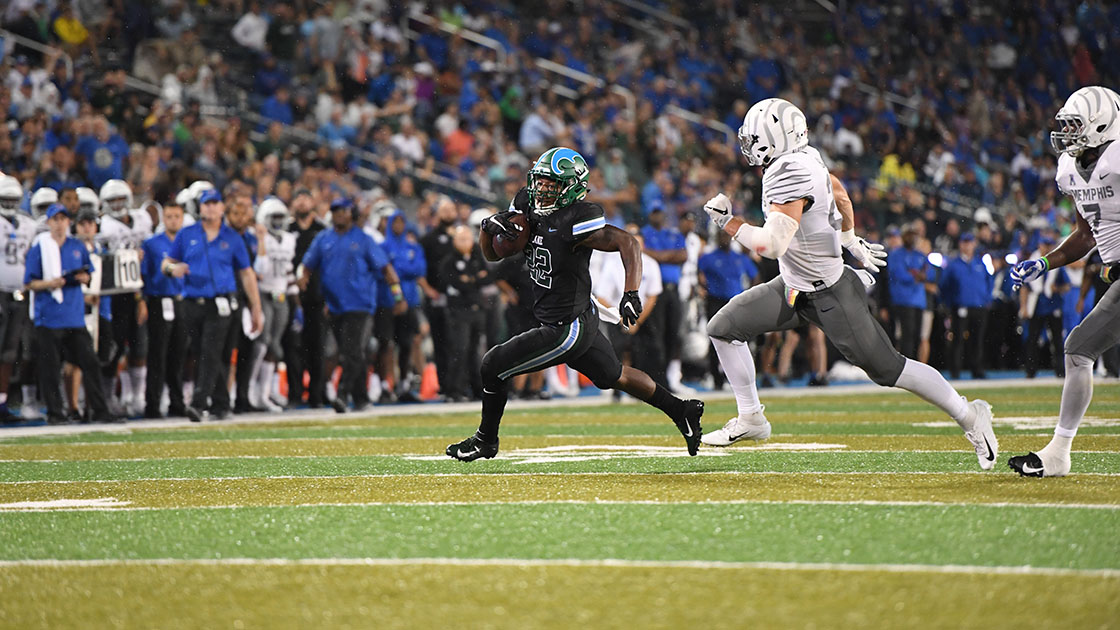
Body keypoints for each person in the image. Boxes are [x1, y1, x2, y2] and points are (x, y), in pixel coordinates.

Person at [700, 98, 998, 471]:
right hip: (794, 287)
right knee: (723, 328)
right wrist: (849, 237)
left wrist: (727, 223)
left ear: (776, 137)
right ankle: (751, 419)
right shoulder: (805, 157)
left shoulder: (788, 171)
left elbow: (772, 245)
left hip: (828, 293)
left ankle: (971, 417)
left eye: (755, 137)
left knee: (889, 369)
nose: (748, 145)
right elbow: (839, 192)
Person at [446, 147, 704, 462]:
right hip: (576, 314)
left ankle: (485, 441)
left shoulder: (576, 218)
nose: (542, 190)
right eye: (540, 182)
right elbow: (492, 254)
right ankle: (683, 410)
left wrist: (631, 292)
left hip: (566, 326)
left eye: (552, 185)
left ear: (572, 188)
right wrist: (488, 228)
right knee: (614, 375)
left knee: (493, 365)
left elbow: (628, 242)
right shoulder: (527, 204)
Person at [1008, 86, 1120, 477]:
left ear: (1102, 124)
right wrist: (1044, 263)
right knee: (1078, 350)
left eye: (1076, 125)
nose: (1067, 133)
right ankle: (1058, 452)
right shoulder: (1071, 169)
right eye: (1066, 125)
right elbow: (1086, 235)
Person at [162, 188, 263, 422]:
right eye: (206, 203)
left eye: (214, 203)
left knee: (210, 350)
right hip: (192, 302)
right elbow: (166, 262)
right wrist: (172, 269)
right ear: (200, 208)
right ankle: (221, 403)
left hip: (221, 302)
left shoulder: (232, 238)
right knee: (202, 352)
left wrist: (255, 306)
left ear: (221, 208)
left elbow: (247, 274)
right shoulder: (187, 234)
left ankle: (198, 403)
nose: (210, 207)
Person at [299, 197, 404, 413]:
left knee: (352, 350)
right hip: (335, 305)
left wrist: (398, 295)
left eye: (344, 210)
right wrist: (302, 277)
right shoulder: (323, 238)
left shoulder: (364, 239)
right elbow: (307, 264)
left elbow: (386, 269)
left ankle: (342, 394)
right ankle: (361, 398)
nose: (339, 214)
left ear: (351, 214)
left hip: (361, 303)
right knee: (351, 352)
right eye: (335, 210)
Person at [24, 203, 115, 424]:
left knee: (90, 363)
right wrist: (50, 283)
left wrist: (84, 278)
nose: (59, 224)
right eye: (55, 219)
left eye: (63, 219)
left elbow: (88, 274)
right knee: (51, 369)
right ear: (48, 222)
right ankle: (56, 413)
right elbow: (29, 283)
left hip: (74, 317)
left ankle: (100, 411)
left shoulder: (77, 246)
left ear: (68, 222)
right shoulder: (40, 247)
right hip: (49, 316)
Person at [97, 178, 155, 417]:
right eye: (113, 200)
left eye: (121, 199)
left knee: (140, 346)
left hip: (142, 290)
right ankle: (109, 397)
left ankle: (136, 397)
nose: (118, 204)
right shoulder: (104, 226)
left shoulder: (142, 219)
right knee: (115, 347)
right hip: (115, 294)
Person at [140, 201, 186, 418]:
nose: (173, 220)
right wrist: (141, 300)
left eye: (177, 216)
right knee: (157, 354)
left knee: (178, 354)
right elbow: (144, 274)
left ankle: (177, 402)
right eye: (169, 216)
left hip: (182, 300)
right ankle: (153, 404)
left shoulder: (189, 242)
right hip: (159, 300)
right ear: (163, 218)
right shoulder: (152, 244)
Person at [697, 229, 758, 390]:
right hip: (716, 301)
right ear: (716, 238)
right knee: (716, 338)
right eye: (721, 235)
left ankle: (738, 378)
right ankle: (716, 378)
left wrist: (750, 295)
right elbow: (699, 273)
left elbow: (755, 275)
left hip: (736, 301)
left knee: (738, 339)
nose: (724, 238)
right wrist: (703, 287)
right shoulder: (709, 258)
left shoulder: (739, 258)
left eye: (726, 236)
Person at [251, 197, 296, 412]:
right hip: (264, 293)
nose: (278, 223)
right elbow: (259, 270)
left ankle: (264, 392)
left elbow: (289, 271)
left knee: (275, 345)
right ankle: (250, 388)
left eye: (280, 218)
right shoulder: (261, 238)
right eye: (273, 218)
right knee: (262, 342)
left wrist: (295, 297)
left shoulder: (289, 239)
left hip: (281, 294)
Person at [285, 188, 327, 407]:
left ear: (313, 201)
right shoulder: (286, 229)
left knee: (316, 347)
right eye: (298, 198)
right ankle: (294, 393)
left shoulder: (322, 230)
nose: (301, 202)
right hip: (291, 297)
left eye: (305, 198)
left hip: (317, 297)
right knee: (292, 347)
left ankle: (316, 395)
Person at [0, 177, 37, 420]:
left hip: (21, 293)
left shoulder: (28, 224)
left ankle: (2, 402)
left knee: (10, 352)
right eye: (6, 200)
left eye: (14, 199)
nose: (11, 204)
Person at [939, 231, 993, 378]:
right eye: (965, 242)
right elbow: (944, 285)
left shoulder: (979, 263)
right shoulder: (953, 264)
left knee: (977, 339)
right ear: (960, 244)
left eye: (970, 242)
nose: (968, 245)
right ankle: (955, 370)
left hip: (979, 306)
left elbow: (989, 281)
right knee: (957, 339)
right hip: (960, 306)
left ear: (974, 244)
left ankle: (977, 369)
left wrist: (987, 299)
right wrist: (949, 302)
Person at [1019, 236, 1069, 378]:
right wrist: (1024, 306)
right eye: (1044, 244)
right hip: (1037, 305)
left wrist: (1057, 288)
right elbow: (1025, 287)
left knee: (1057, 340)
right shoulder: (1031, 263)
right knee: (1033, 339)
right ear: (1039, 245)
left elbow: (1067, 285)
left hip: (1053, 305)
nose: (1046, 248)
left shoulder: (1056, 263)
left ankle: (1060, 369)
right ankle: (1030, 370)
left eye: (1049, 245)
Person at [886, 225, 928, 359]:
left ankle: (915, 364)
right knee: (907, 335)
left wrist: (916, 274)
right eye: (909, 235)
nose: (911, 238)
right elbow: (899, 274)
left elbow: (930, 273)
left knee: (916, 335)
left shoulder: (920, 255)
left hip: (918, 300)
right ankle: (907, 366)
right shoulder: (896, 254)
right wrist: (916, 275)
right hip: (903, 299)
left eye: (914, 235)